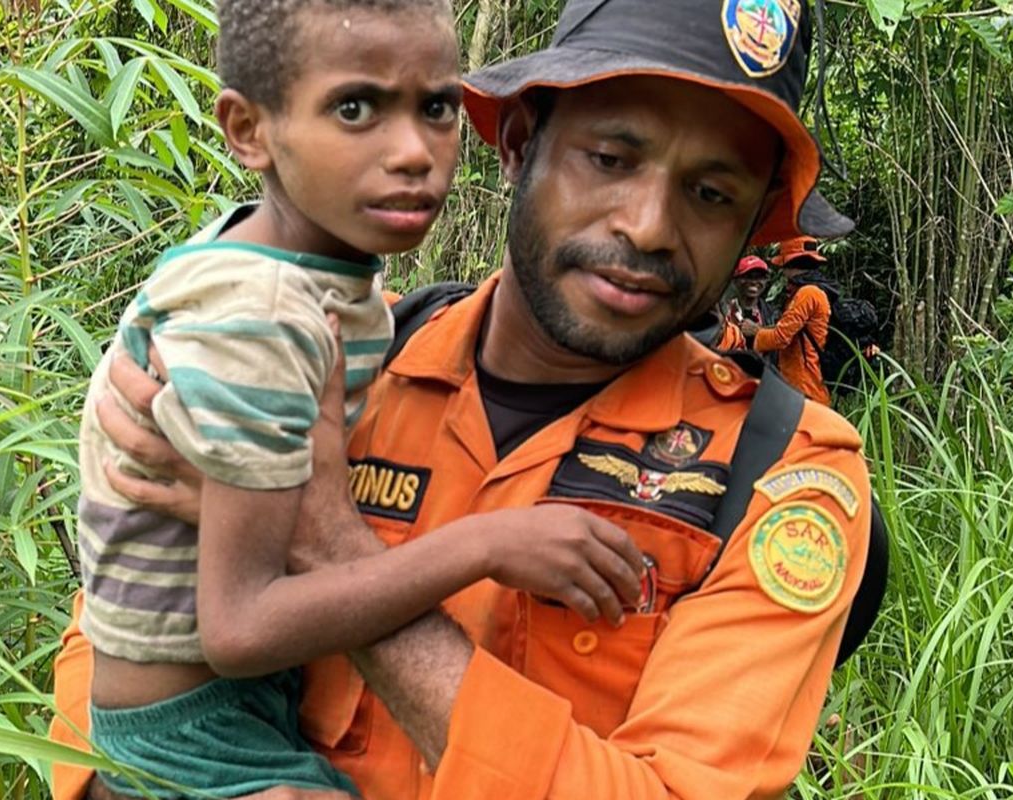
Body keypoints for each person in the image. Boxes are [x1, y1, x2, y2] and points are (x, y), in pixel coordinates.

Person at [52, 0, 873, 798]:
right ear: (519, 142)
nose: (649, 226)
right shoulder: (339, 363)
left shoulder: (776, 480)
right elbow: (125, 629)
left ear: (758, 223)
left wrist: (331, 543)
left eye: (711, 194)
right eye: (611, 159)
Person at [70, 1, 645, 797]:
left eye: (436, 107)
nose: (413, 152)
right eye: (355, 108)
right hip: (199, 729)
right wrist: (485, 545)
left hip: (226, 704)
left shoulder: (306, 275)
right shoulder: (262, 320)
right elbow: (239, 629)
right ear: (248, 131)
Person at [741, 237, 833, 405]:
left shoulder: (808, 293)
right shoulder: (809, 290)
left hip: (806, 387)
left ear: (790, 265)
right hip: (801, 387)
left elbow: (781, 338)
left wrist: (756, 332)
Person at [726, 254, 775, 332]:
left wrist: (757, 330)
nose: (754, 282)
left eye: (760, 277)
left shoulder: (772, 313)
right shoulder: (723, 310)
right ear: (735, 281)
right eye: (748, 276)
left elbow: (779, 337)